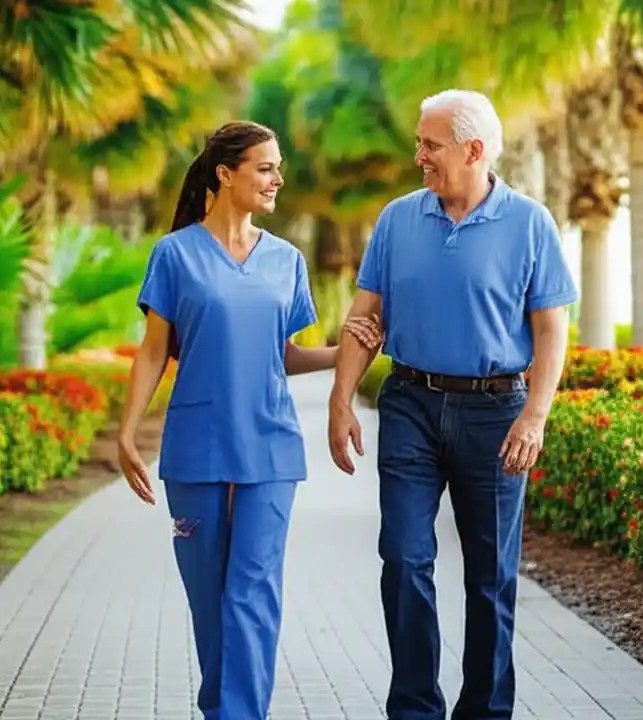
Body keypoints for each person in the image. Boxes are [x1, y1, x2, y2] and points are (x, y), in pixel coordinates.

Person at [116, 120, 383, 720]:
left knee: (253, 596)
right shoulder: (174, 254)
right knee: (210, 600)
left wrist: (348, 350)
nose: (277, 179)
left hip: (270, 447)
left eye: (278, 168)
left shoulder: (285, 261)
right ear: (225, 173)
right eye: (265, 167)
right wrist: (128, 432)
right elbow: (156, 349)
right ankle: (226, 710)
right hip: (196, 446)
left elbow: (283, 354)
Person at [327, 90, 577, 720]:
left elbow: (551, 330)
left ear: (473, 150)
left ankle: (486, 711)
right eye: (419, 142)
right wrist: (339, 401)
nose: (419, 156)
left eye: (429, 144)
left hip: (496, 413)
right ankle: (415, 708)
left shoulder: (530, 224)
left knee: (490, 577)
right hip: (410, 402)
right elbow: (365, 318)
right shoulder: (397, 220)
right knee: (405, 558)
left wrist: (535, 416)